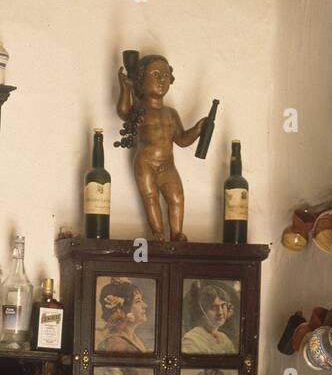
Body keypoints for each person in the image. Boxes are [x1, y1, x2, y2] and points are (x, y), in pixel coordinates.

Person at [115, 54, 207, 242]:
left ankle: (176, 234)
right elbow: (124, 112)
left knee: (177, 197)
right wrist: (125, 90)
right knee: (151, 198)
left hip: (168, 165)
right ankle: (157, 232)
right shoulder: (140, 109)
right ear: (141, 80)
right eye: (155, 74)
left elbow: (181, 140)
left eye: (165, 75)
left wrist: (197, 130)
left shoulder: (171, 113)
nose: (161, 79)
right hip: (145, 163)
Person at [182, 281, 237, 353]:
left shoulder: (224, 338)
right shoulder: (192, 340)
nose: (220, 312)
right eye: (213, 307)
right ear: (202, 311)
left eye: (223, 306)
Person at [95, 279, 149, 352]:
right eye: (138, 301)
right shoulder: (117, 345)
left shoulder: (130, 338)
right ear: (120, 310)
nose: (145, 305)